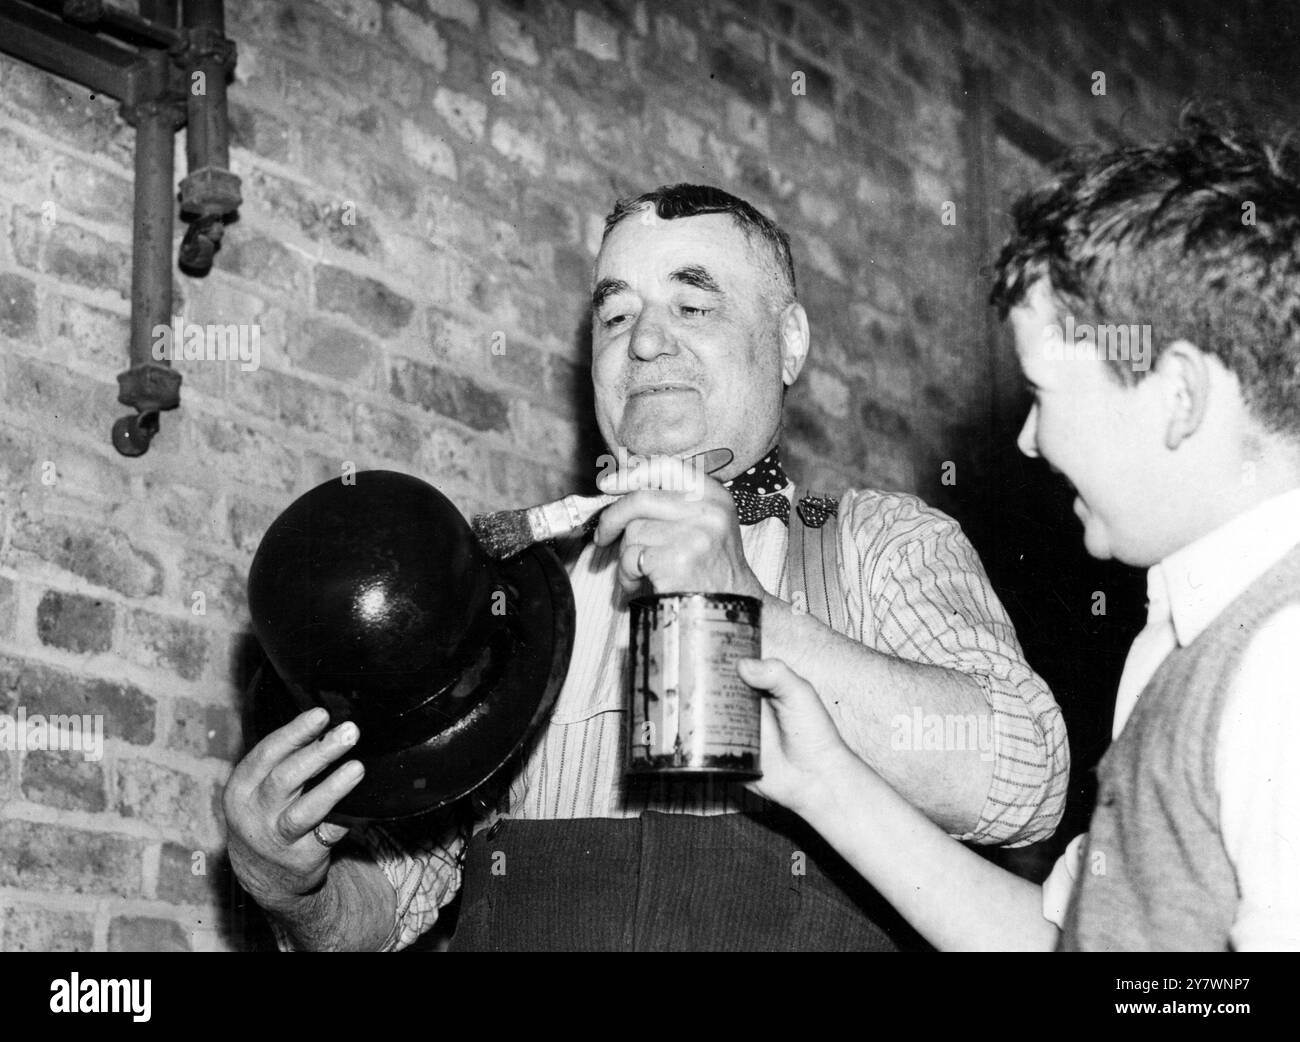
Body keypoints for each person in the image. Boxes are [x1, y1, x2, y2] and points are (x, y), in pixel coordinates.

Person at [224, 184, 1069, 951]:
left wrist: (747, 604)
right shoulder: (518, 603)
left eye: (693, 305)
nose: (647, 342)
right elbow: (378, 917)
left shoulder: (880, 546)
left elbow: (1028, 776)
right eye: (617, 316)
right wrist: (287, 885)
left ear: (788, 342)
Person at [743, 116, 1300, 951]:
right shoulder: (1178, 641)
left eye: (1043, 392)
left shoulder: (1283, 659)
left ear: (1177, 396)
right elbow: (1055, 939)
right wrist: (824, 783)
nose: (1029, 440)